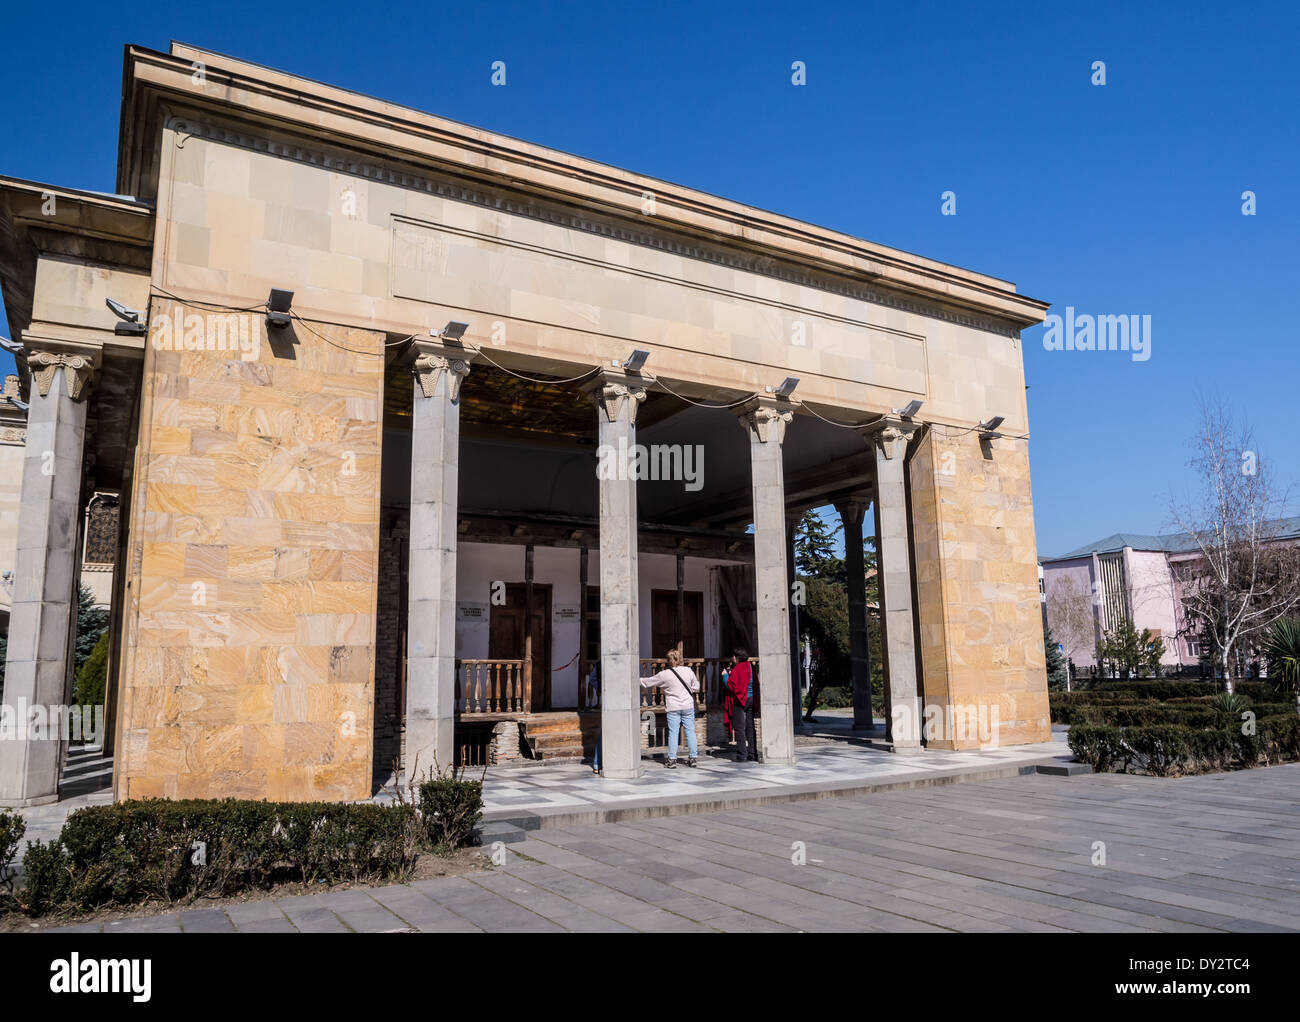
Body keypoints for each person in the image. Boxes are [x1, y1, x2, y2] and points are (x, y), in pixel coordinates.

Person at [639, 649, 700, 768]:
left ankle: (672, 760)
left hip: (673, 707)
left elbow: (649, 682)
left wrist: (637, 679)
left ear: (668, 660)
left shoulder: (665, 674)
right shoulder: (688, 671)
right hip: (688, 705)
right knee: (690, 732)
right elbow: (696, 687)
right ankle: (693, 758)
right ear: (680, 659)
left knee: (673, 733)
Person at [725, 647, 757, 762]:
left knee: (739, 727)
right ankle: (753, 754)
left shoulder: (738, 668)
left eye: (733, 657)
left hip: (741, 700)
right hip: (751, 698)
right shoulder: (750, 666)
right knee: (750, 727)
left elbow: (731, 685)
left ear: (736, 657)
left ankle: (742, 755)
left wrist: (725, 676)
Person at [587, 661, 602, 774]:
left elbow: (592, 679)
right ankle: (597, 763)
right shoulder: (600, 663)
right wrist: (600, 688)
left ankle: (597, 764)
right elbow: (592, 679)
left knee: (603, 734)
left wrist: (600, 688)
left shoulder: (600, 662)